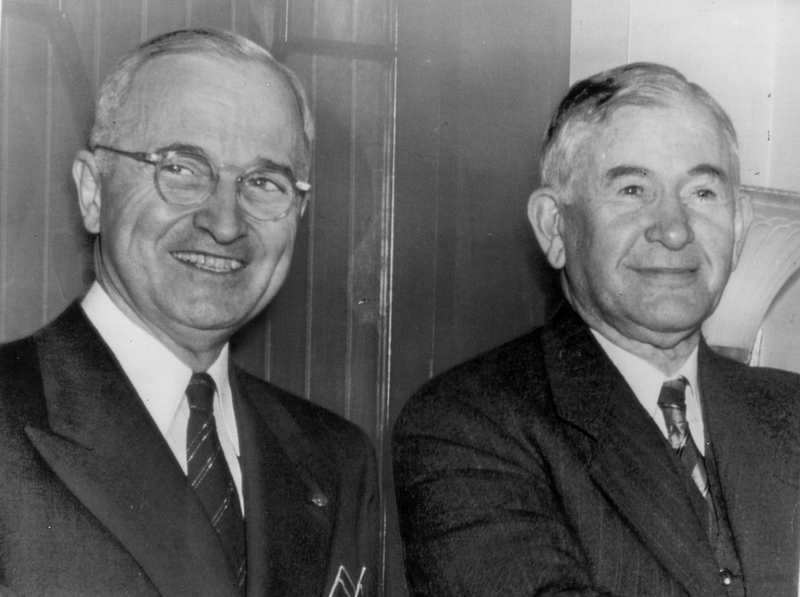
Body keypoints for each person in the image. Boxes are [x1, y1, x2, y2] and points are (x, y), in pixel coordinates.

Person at [393, 62, 800, 597]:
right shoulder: (468, 425)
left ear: (740, 226)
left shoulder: (790, 413)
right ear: (554, 226)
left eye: (702, 193)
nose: (674, 230)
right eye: (633, 189)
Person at [0, 29, 378, 597]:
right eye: (181, 168)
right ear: (93, 193)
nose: (225, 223)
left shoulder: (336, 461)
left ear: (299, 212)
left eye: (263, 182)